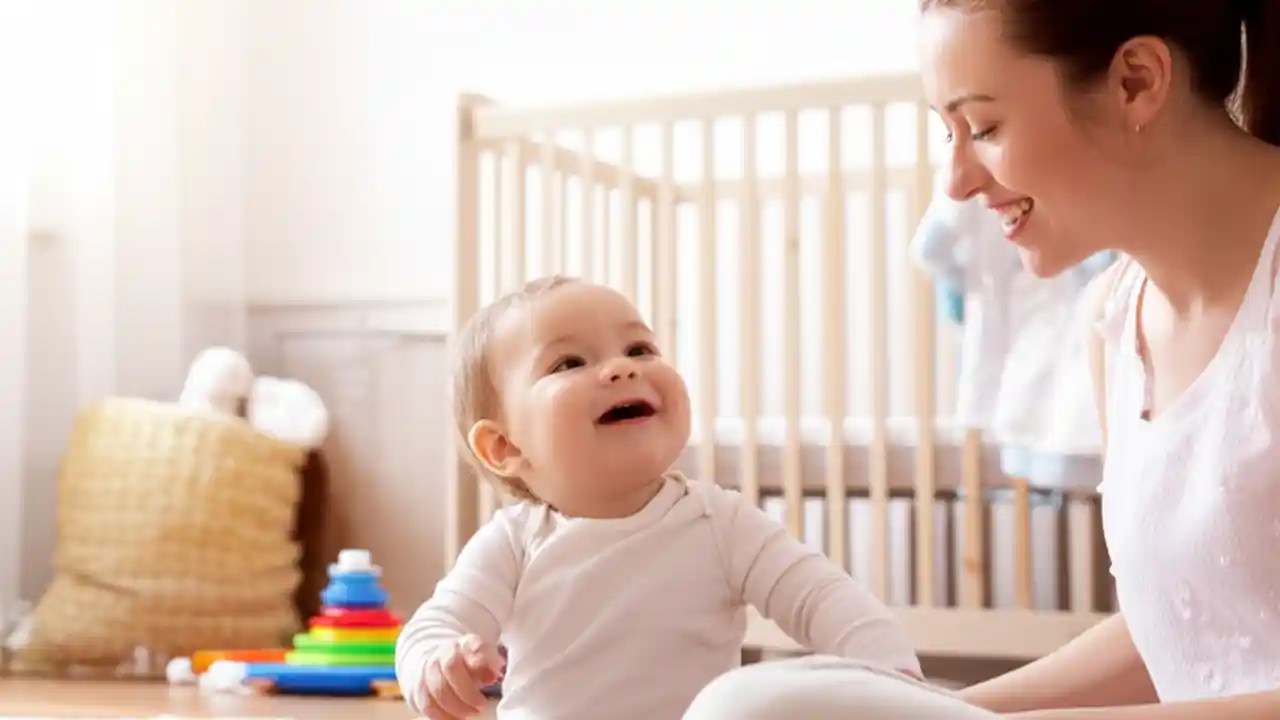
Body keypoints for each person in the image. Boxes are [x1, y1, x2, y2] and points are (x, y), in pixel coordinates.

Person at [684, 1, 1280, 718]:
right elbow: (1188, 628)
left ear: (1136, 81)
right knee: (763, 705)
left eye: (984, 129)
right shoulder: (1114, 324)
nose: (956, 182)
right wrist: (947, 710)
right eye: (948, 135)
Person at [394, 276, 922, 719]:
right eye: (569, 363)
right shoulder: (513, 543)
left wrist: (894, 678)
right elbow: (434, 626)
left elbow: (824, 599)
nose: (623, 368)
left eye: (639, 349)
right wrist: (437, 663)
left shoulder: (722, 522)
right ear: (505, 446)